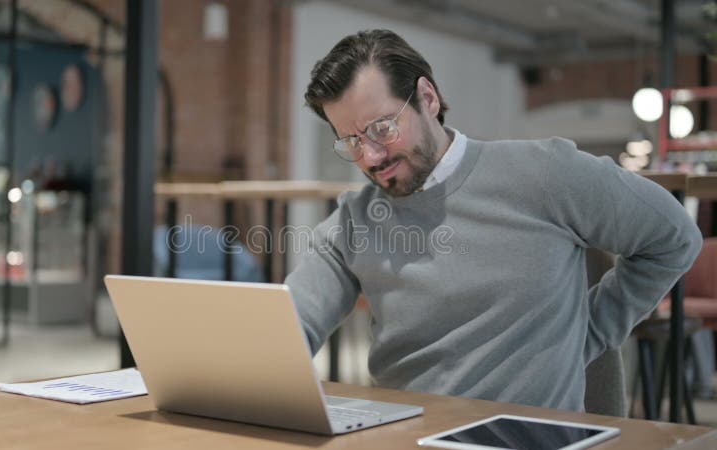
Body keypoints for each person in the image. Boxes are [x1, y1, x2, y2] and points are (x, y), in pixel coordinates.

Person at [284, 29, 703, 412]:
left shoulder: (546, 173)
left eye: (381, 128)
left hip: (524, 436)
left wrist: (590, 332)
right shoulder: (354, 222)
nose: (371, 157)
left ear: (427, 98)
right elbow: (289, 326)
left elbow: (674, 237)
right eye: (352, 142)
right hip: (406, 434)